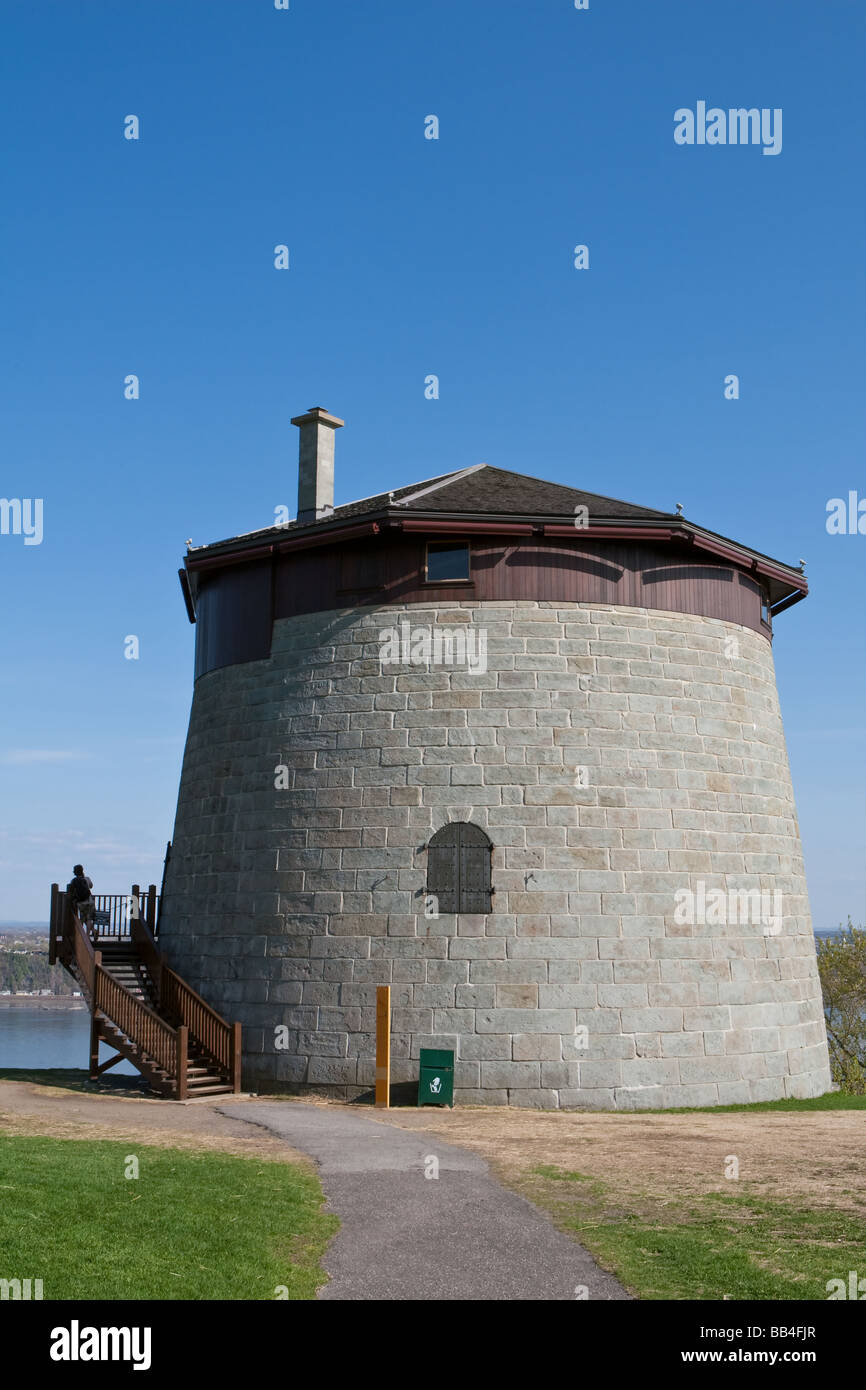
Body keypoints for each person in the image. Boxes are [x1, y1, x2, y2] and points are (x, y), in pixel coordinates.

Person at [67, 864, 96, 942]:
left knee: (83, 919)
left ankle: (81, 935)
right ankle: (88, 935)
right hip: (89, 901)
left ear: (75, 872)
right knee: (89, 919)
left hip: (80, 902)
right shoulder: (86, 878)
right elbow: (91, 886)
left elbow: (71, 891)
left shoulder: (73, 881)